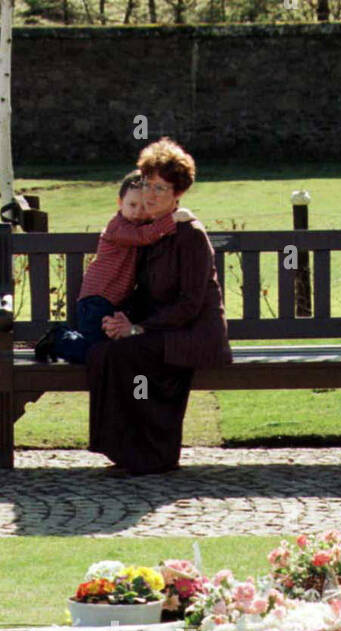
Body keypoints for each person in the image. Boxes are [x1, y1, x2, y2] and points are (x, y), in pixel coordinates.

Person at [87, 137, 231, 476]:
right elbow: (144, 293)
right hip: (163, 330)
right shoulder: (151, 232)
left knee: (127, 354)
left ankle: (153, 454)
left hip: (194, 334)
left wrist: (138, 328)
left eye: (161, 189)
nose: (150, 195)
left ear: (177, 194)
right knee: (102, 352)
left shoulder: (190, 235)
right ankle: (124, 449)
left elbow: (189, 304)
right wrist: (123, 320)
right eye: (148, 186)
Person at [35, 173, 192, 365]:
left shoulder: (141, 227)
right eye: (132, 205)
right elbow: (144, 236)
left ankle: (65, 339)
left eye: (144, 207)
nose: (137, 212)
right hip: (96, 299)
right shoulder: (118, 227)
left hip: (113, 303)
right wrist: (173, 218)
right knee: (97, 352)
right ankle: (59, 338)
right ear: (120, 202)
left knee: (109, 351)